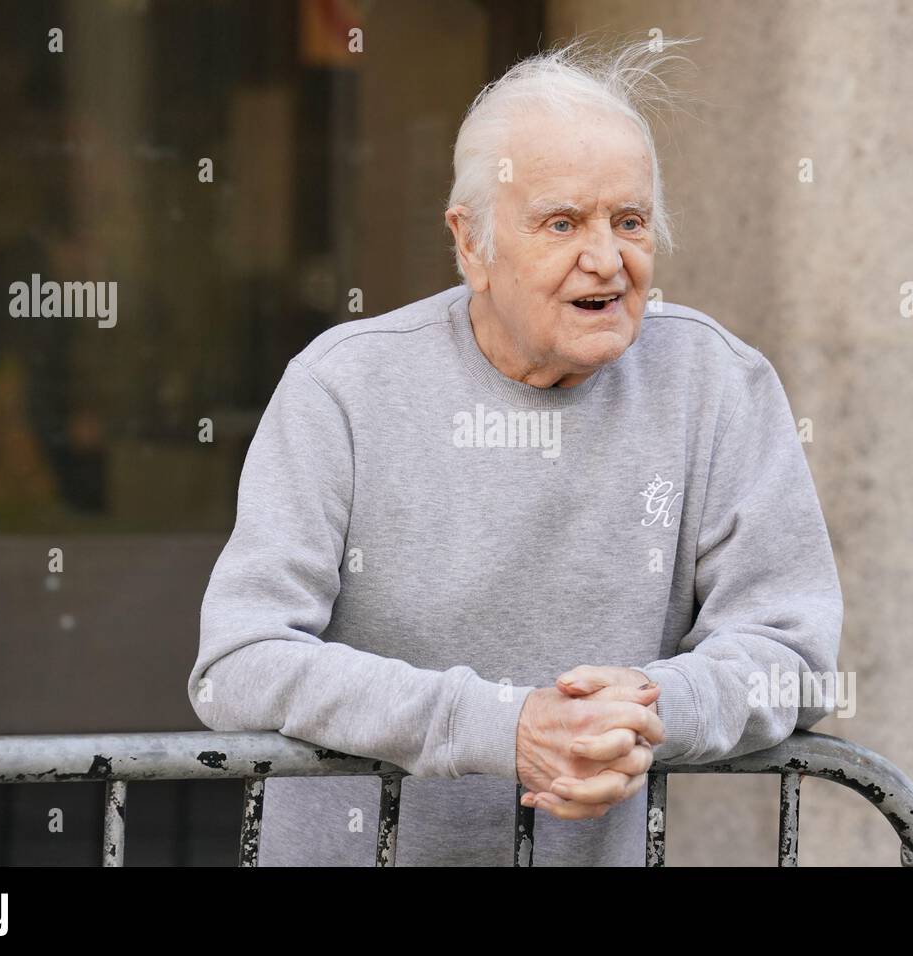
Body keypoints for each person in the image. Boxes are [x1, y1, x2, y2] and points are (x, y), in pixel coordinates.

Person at [187, 35, 843, 865]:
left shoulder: (717, 384)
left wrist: (653, 707)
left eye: (630, 221)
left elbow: (796, 655)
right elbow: (240, 661)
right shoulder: (340, 388)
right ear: (472, 244)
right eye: (562, 222)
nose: (605, 258)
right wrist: (503, 726)